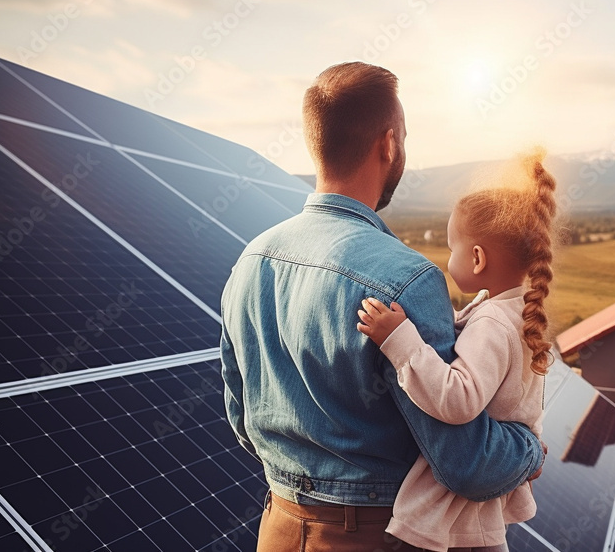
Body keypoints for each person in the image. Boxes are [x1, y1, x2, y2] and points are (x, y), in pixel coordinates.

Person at [219, 61, 545, 552]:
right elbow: (465, 464)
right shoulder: (406, 279)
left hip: (280, 527)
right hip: (375, 536)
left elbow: (242, 417)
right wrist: (527, 451)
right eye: (406, 139)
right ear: (389, 144)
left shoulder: (250, 262)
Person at [356, 150, 557, 552]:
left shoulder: (494, 325)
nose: (449, 261)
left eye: (453, 248)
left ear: (478, 257)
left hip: (454, 517)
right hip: (481, 510)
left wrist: (400, 340)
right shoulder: (512, 311)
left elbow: (459, 399)